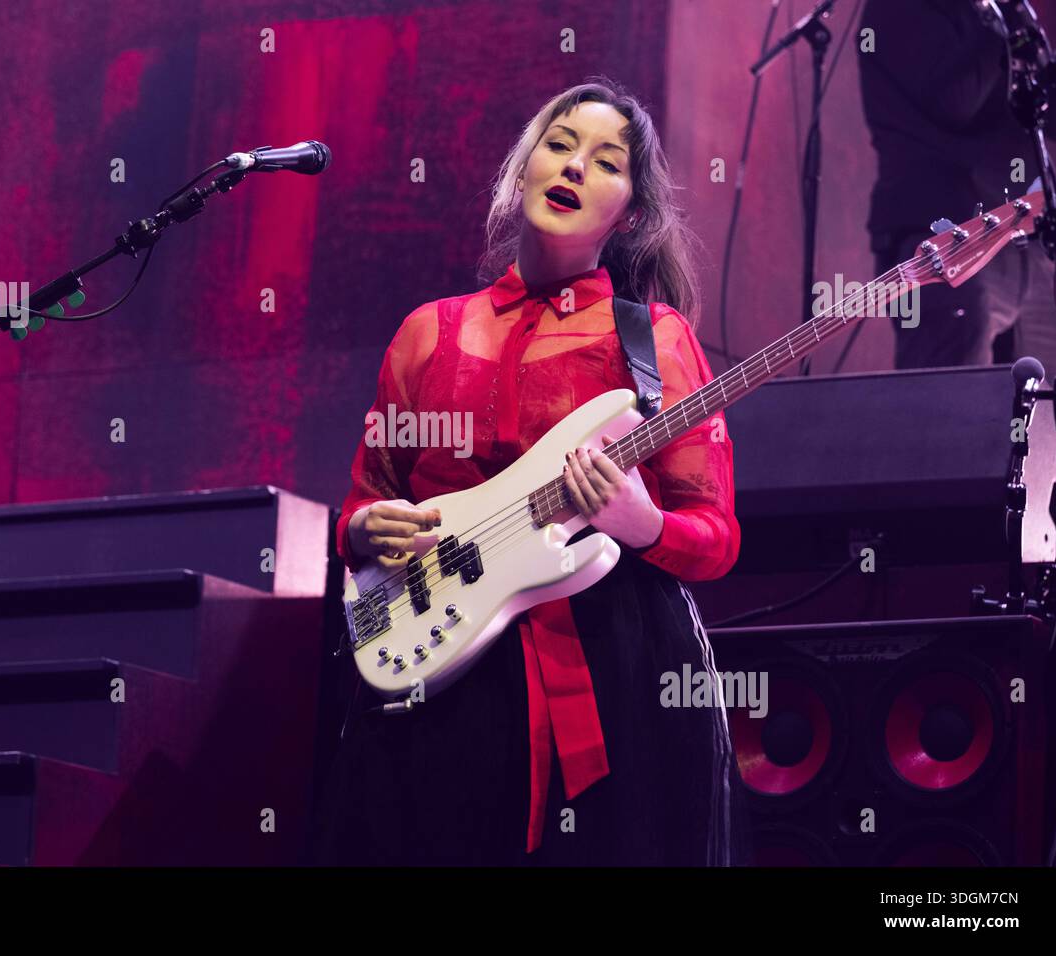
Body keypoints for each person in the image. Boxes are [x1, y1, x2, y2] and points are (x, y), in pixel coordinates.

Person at [312, 77, 752, 866]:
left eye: (606, 160)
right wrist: (360, 527)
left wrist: (639, 522)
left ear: (634, 213)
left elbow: (715, 537)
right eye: (558, 144)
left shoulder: (655, 342)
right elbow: (366, 500)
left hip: (614, 668)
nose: (575, 166)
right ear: (521, 173)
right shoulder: (427, 332)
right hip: (433, 659)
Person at [859, 0, 1056, 375]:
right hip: (942, 240)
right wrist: (997, 22)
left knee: (1041, 416)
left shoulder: (1004, 10)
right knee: (950, 414)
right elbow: (955, 100)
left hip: (1024, 240)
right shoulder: (898, 8)